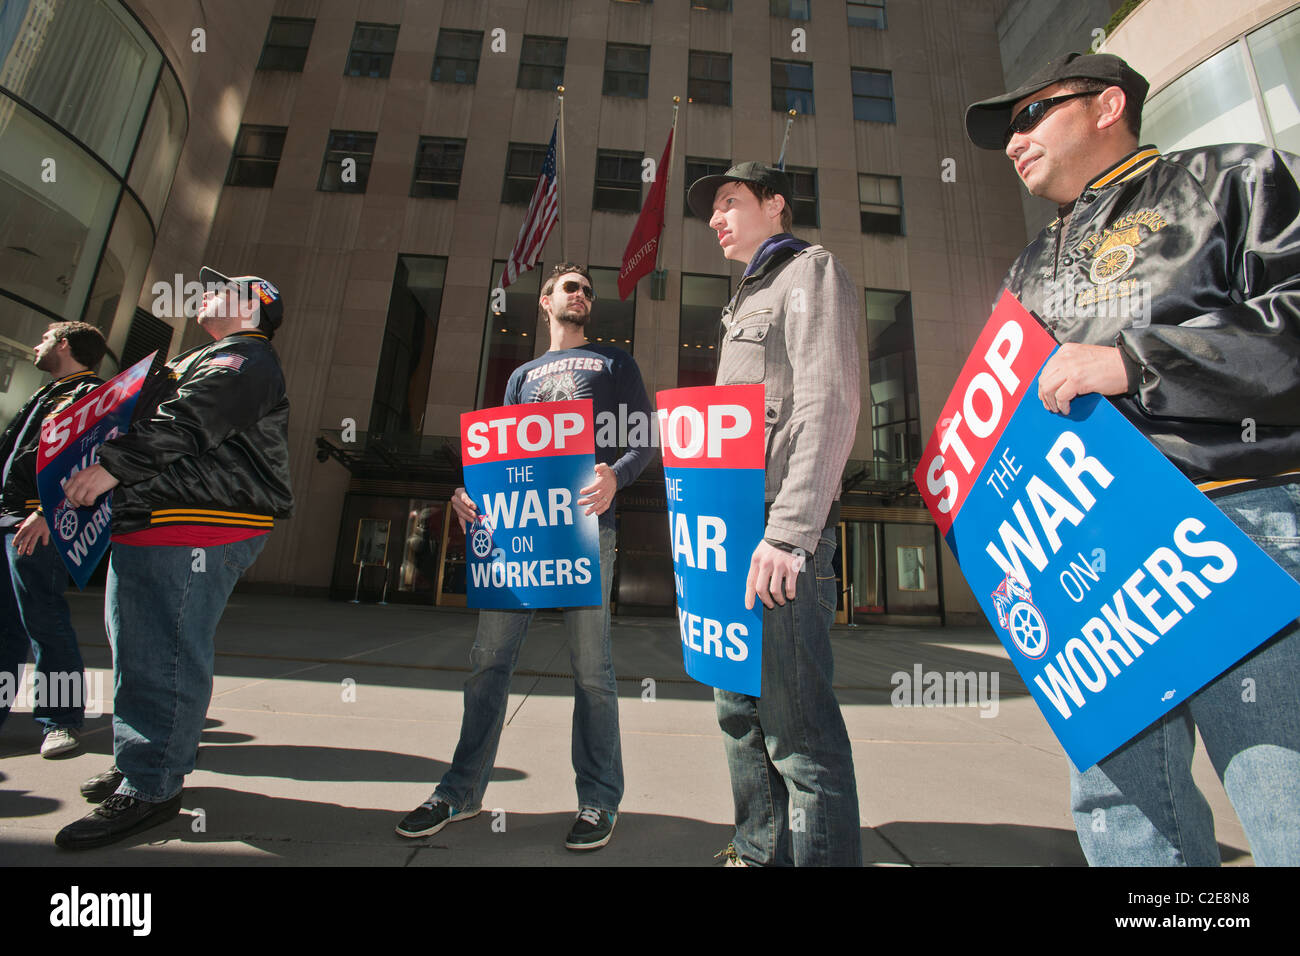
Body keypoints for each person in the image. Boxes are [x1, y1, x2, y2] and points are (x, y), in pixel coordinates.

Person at [965, 52, 1300, 866]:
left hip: (1230, 517)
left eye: (1030, 114)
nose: (1015, 141)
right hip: (1091, 556)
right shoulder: (1030, 263)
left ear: (1108, 103)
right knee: (1119, 807)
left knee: (1278, 785)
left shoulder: (1232, 179)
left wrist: (1135, 362)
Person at [396, 262, 654, 851]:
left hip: (589, 530)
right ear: (545, 301)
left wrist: (616, 474)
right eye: (571, 287)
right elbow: (499, 461)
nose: (583, 295)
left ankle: (597, 800)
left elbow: (643, 438)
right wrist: (468, 496)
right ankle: (460, 792)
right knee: (488, 662)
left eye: (589, 290)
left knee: (593, 672)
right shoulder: (522, 376)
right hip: (518, 539)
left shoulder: (616, 364)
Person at [54, 266, 293, 850]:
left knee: (163, 652)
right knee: (140, 648)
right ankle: (145, 755)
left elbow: (190, 422)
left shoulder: (243, 359)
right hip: (162, 518)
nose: (205, 293)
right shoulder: (203, 358)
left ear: (254, 307)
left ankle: (152, 783)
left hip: (197, 523)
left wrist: (113, 465)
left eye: (222, 288)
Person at [685, 162, 862, 866]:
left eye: (731, 203)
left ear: (775, 205)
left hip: (781, 535)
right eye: (712, 212)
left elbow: (828, 398)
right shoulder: (745, 298)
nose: (717, 219)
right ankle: (759, 851)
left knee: (798, 730)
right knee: (739, 713)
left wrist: (790, 533)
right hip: (733, 535)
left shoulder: (808, 273)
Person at [1, 322, 106, 755]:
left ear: (64, 344)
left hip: (37, 522)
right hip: (9, 519)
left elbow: (88, 457)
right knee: (6, 627)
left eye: (45, 339)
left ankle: (61, 720)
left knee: (44, 619)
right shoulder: (48, 392)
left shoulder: (89, 394)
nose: (37, 345)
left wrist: (47, 512)